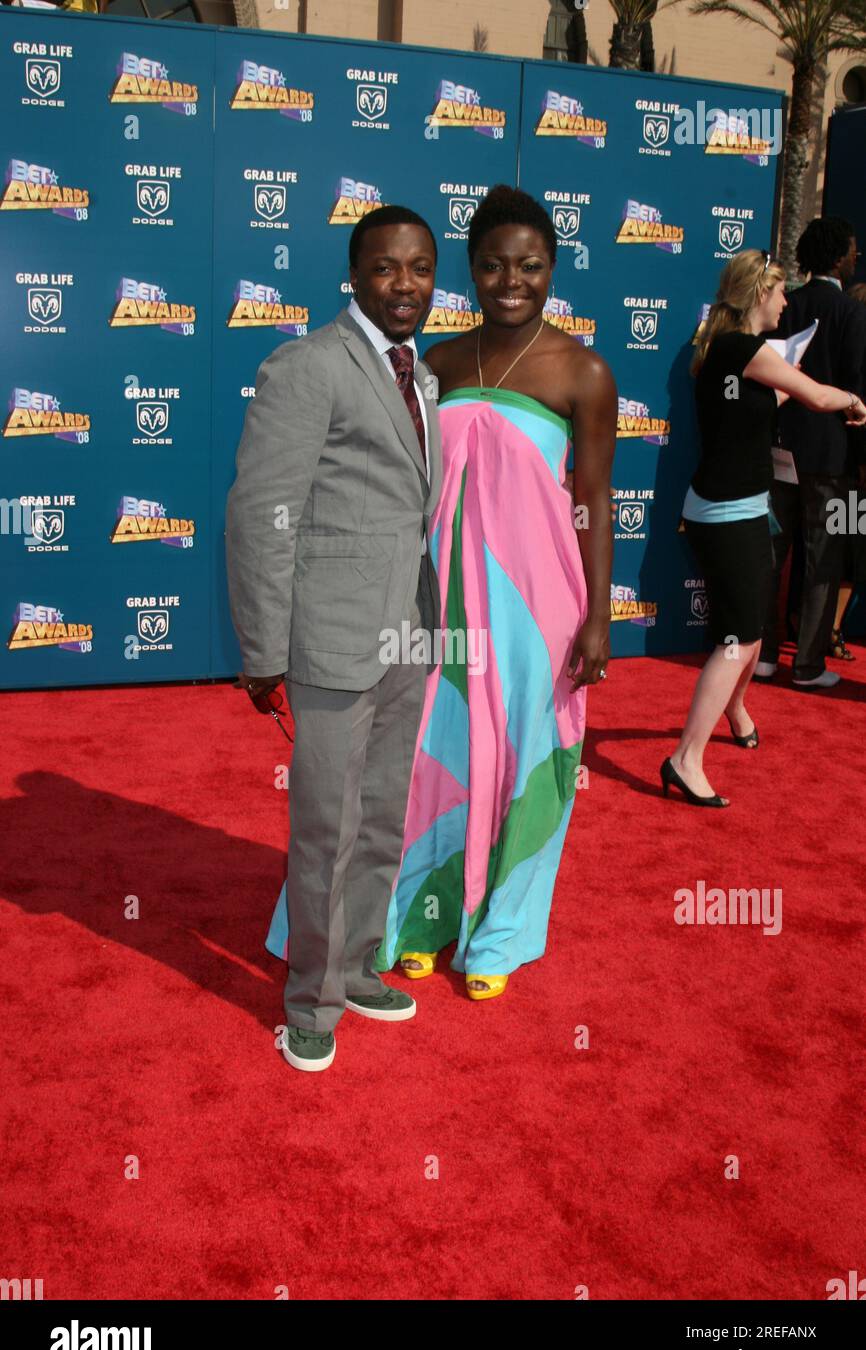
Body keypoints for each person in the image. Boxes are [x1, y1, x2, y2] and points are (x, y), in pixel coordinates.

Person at [373, 185, 617, 1001]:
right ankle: (422, 913)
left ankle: (500, 934)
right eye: (492, 265)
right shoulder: (438, 362)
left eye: (531, 265)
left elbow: (594, 500)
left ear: (553, 269)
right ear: (470, 271)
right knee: (430, 760)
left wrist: (596, 616)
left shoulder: (583, 371)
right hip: (440, 604)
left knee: (523, 764)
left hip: (537, 606)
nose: (512, 280)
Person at [227, 206, 443, 1073]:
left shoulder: (420, 379)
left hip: (408, 633)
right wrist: (264, 650)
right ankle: (310, 1004)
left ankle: (355, 966)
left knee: (383, 816)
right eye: (386, 268)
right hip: (328, 640)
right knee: (327, 826)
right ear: (353, 275)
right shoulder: (309, 365)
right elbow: (259, 515)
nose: (405, 285)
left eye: (421, 268)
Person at [663, 249, 866, 808]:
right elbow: (817, 396)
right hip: (726, 515)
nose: (786, 302)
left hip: (743, 508)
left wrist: (793, 379)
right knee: (739, 638)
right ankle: (685, 759)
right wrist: (852, 400)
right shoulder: (740, 347)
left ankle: (734, 707)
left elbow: (762, 402)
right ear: (759, 294)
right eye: (779, 293)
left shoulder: (731, 353)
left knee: (751, 629)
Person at [757, 217, 866, 689]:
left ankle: (760, 656)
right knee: (827, 556)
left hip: (779, 448)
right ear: (840, 256)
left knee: (771, 551)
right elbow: (858, 388)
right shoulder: (852, 312)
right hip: (835, 459)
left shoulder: (789, 303)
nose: (856, 257)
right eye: (854, 250)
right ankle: (808, 665)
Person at [829, 279, 866, 657]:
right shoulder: (854, 376)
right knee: (848, 556)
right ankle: (833, 629)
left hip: (844, 473)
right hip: (853, 479)